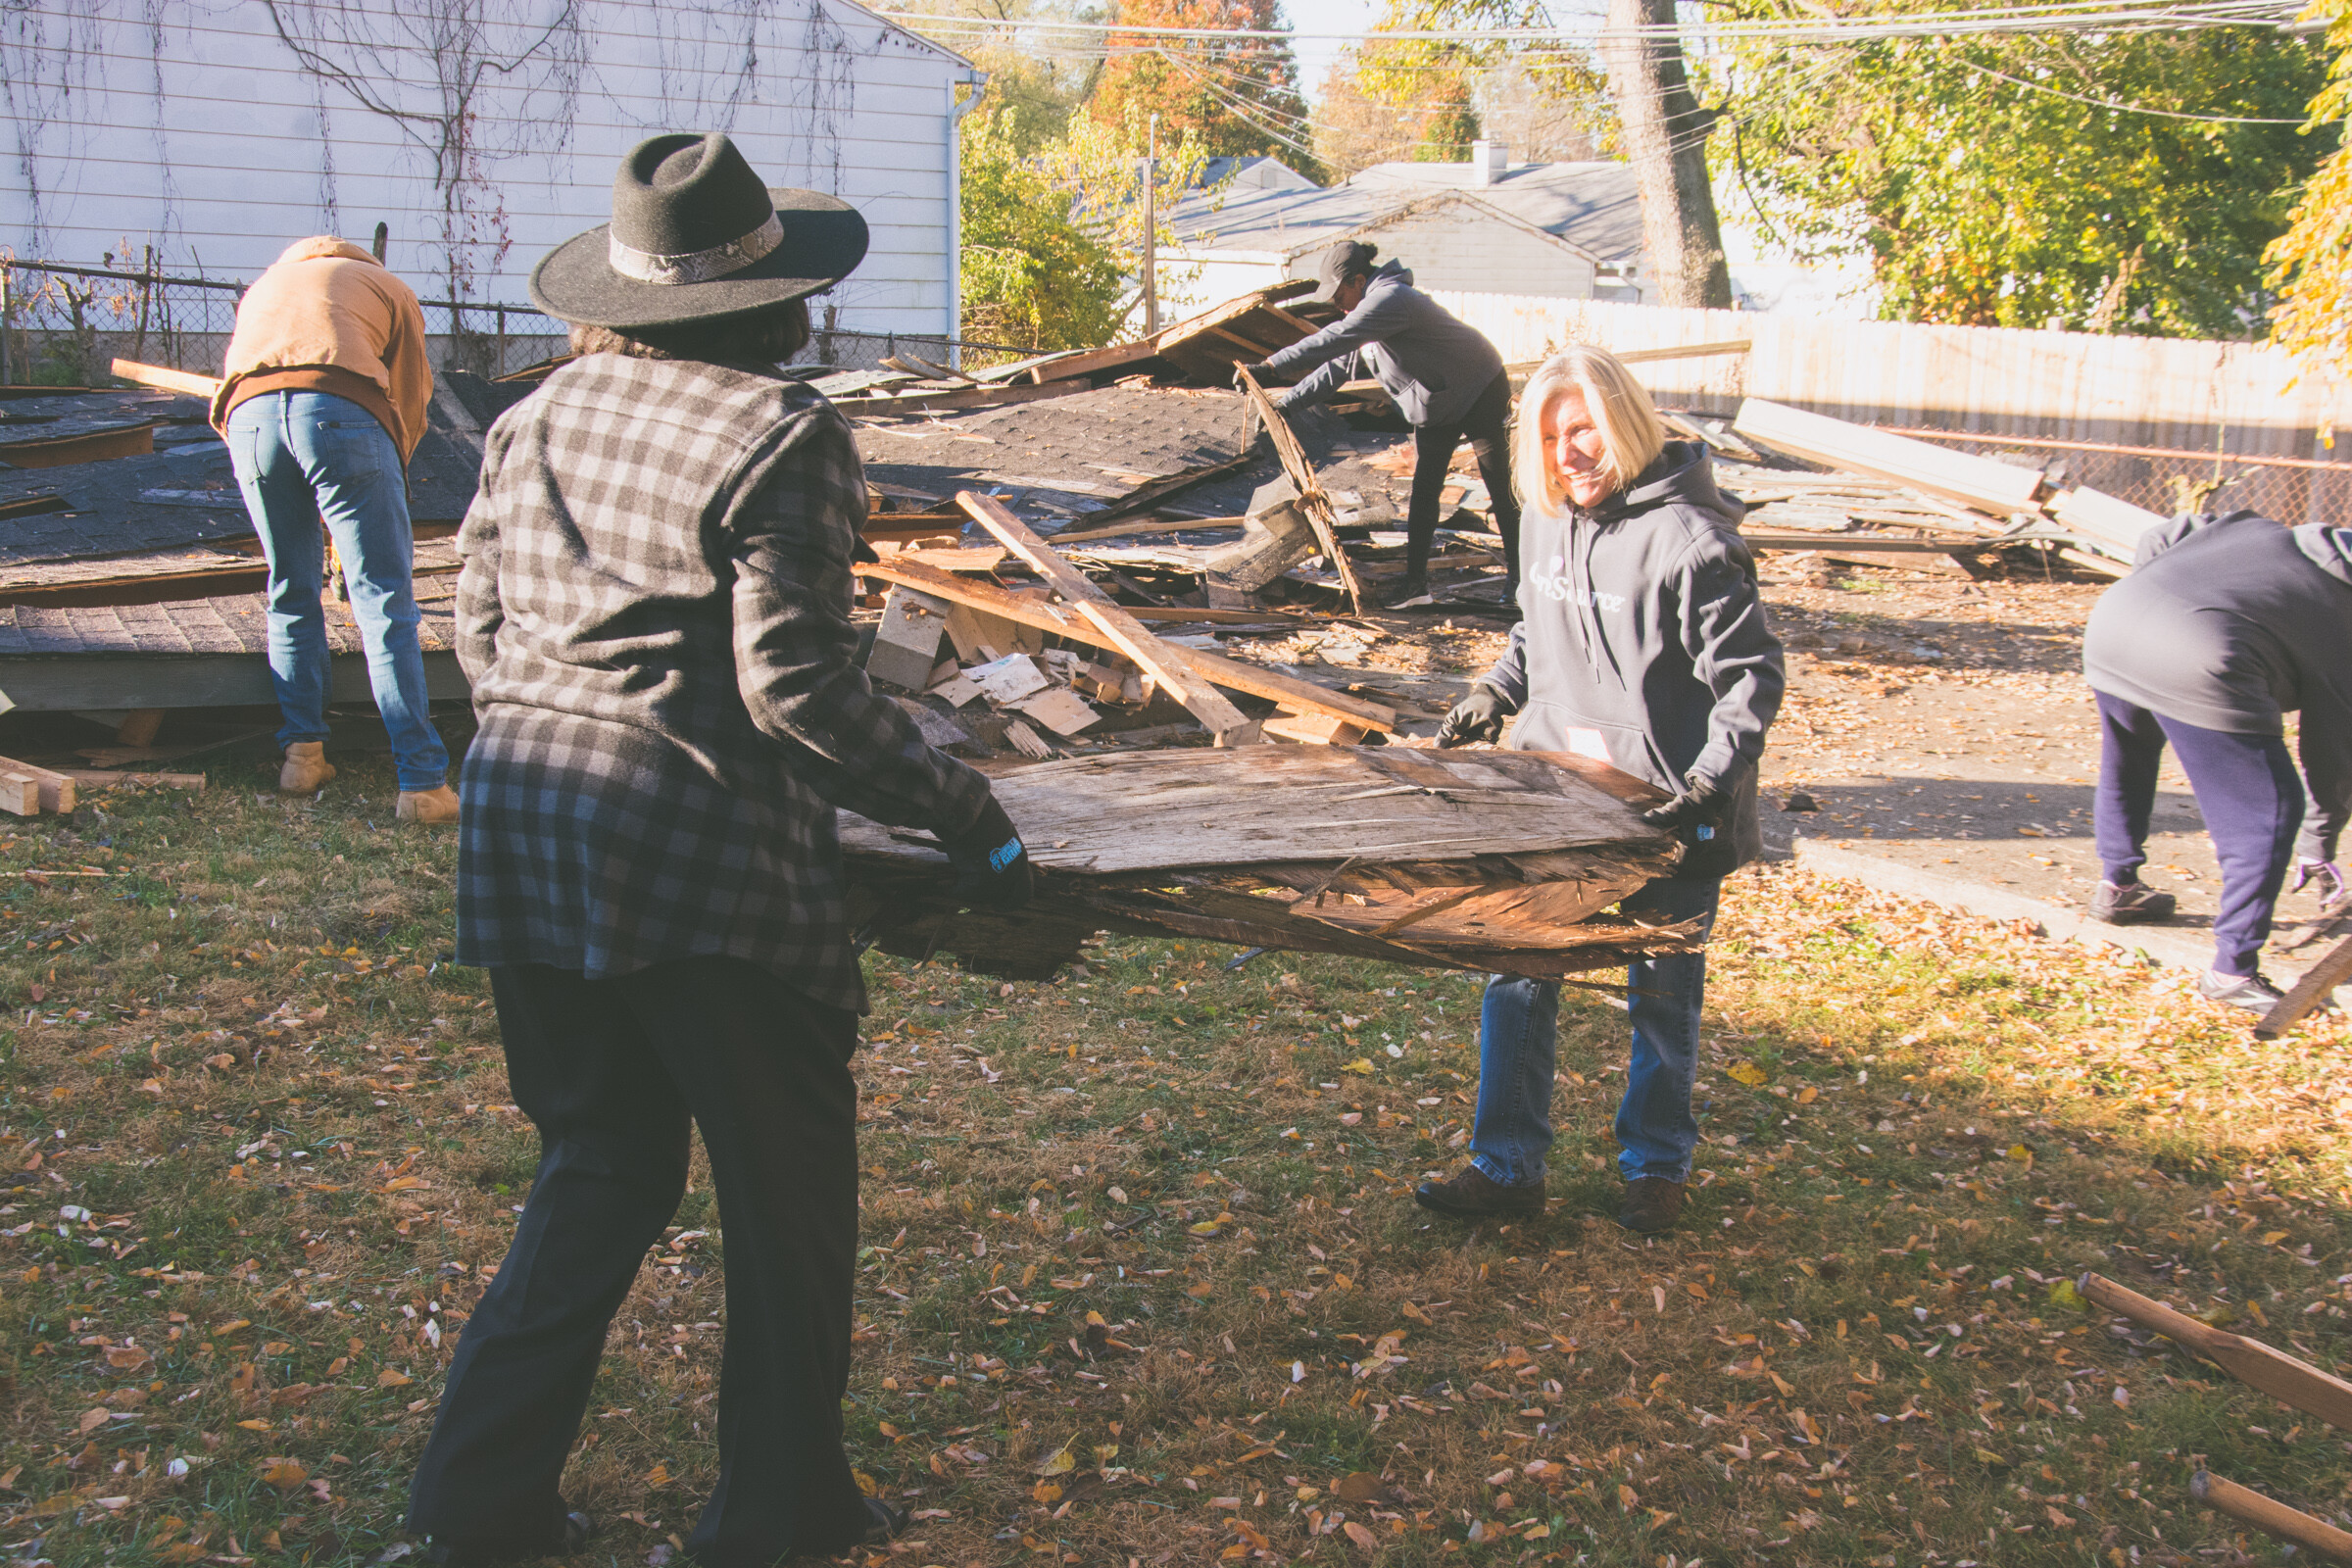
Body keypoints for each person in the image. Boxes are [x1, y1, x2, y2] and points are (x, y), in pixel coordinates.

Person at [403, 132, 1035, 1567]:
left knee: (602, 1164)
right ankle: (777, 1516)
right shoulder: (782, 432)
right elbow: (796, 688)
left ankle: (475, 1510)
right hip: (709, 876)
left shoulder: (535, 416)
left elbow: (478, 628)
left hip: (526, 833)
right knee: (783, 1201)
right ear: (776, 301)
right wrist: (965, 813)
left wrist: (565, 752)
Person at [1419, 346, 1784, 1233]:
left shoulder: (1693, 542)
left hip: (1671, 807)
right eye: (1549, 438)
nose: (1567, 453)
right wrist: (1495, 689)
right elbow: (1536, 624)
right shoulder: (1546, 519)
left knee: (1661, 991)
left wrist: (1709, 782)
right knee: (1517, 973)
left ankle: (1656, 1169)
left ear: (1624, 421)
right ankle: (1506, 1167)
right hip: (1560, 793)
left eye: (1582, 429)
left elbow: (1750, 680)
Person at [213, 236, 458, 820]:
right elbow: (410, 397)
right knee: (383, 601)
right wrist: (384, 470)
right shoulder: (386, 286)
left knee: (290, 589)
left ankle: (302, 756)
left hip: (248, 421)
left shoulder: (265, 286)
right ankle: (421, 783)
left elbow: (239, 379)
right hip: (342, 409)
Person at [2082, 510, 2350, 1012]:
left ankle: (2119, 886)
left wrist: (2155, 603)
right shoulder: (2343, 622)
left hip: (2114, 622)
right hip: (2206, 654)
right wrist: (2318, 843)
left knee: (2127, 759)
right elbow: (2333, 751)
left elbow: (2163, 534)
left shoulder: (2260, 530)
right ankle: (2232, 972)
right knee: (2269, 811)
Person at [1239, 240, 1520, 608]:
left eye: (1339, 295)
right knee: (1425, 489)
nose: (1337, 305)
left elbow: (1333, 339)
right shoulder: (1369, 316)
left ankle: (1520, 582)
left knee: (1498, 484)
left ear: (1359, 281)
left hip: (1480, 385)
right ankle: (1416, 587)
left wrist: (1271, 366)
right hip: (1438, 399)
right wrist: (1287, 405)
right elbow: (1336, 368)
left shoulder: (1391, 299)